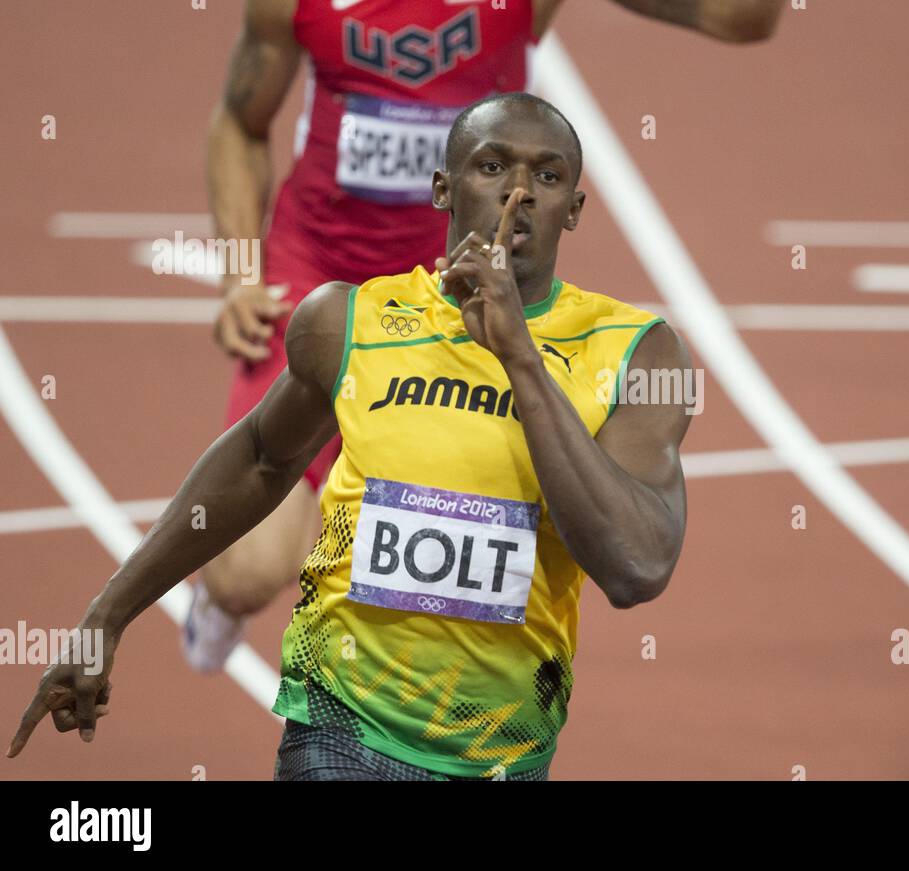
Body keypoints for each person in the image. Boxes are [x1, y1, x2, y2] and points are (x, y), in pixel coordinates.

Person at [10, 94, 694, 781]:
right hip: (338, 728)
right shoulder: (351, 321)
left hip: (503, 754)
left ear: (573, 209)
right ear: (442, 189)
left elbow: (636, 567)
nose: (519, 191)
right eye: (491, 167)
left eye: (547, 177)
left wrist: (521, 356)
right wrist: (107, 614)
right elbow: (259, 461)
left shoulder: (637, 354)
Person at [189, 0, 782, 672]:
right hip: (318, 275)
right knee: (247, 572)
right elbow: (240, 123)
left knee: (404, 558)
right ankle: (219, 603)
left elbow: (742, 18)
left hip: (461, 289)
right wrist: (240, 274)